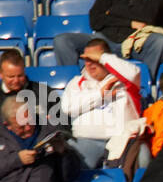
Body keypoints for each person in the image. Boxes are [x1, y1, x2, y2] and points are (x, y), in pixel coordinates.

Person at [61, 39, 145, 170]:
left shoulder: (124, 81)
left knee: (143, 156)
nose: (89, 64)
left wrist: (103, 57)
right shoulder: (77, 82)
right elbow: (68, 108)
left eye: (94, 59)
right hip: (86, 141)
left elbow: (134, 73)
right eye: (86, 59)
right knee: (66, 164)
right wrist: (100, 95)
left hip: (121, 141)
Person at [0, 49, 44, 146]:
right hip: (6, 151)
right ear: (0, 74)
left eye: (20, 76)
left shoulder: (43, 93)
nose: (16, 81)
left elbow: (61, 121)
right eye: (11, 76)